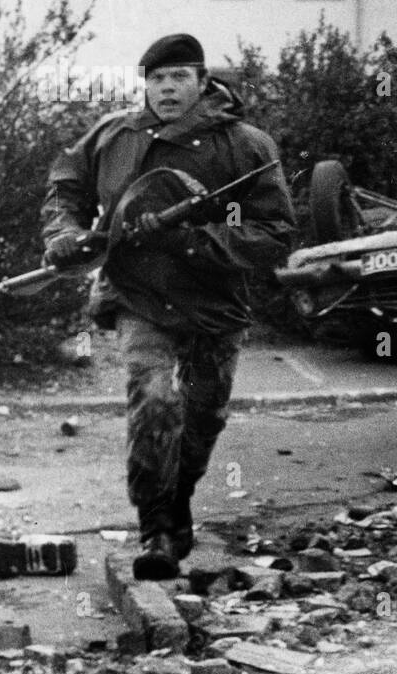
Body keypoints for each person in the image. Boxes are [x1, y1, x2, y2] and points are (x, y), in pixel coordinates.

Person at [40, 33, 296, 579]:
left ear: (203, 83)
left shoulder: (245, 145)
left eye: (179, 77)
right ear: (145, 85)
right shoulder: (115, 136)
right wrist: (65, 232)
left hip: (214, 301)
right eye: (157, 79)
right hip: (138, 295)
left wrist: (194, 241)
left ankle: (177, 500)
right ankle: (155, 527)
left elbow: (274, 231)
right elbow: (66, 185)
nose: (167, 89)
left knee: (203, 418)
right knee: (155, 403)